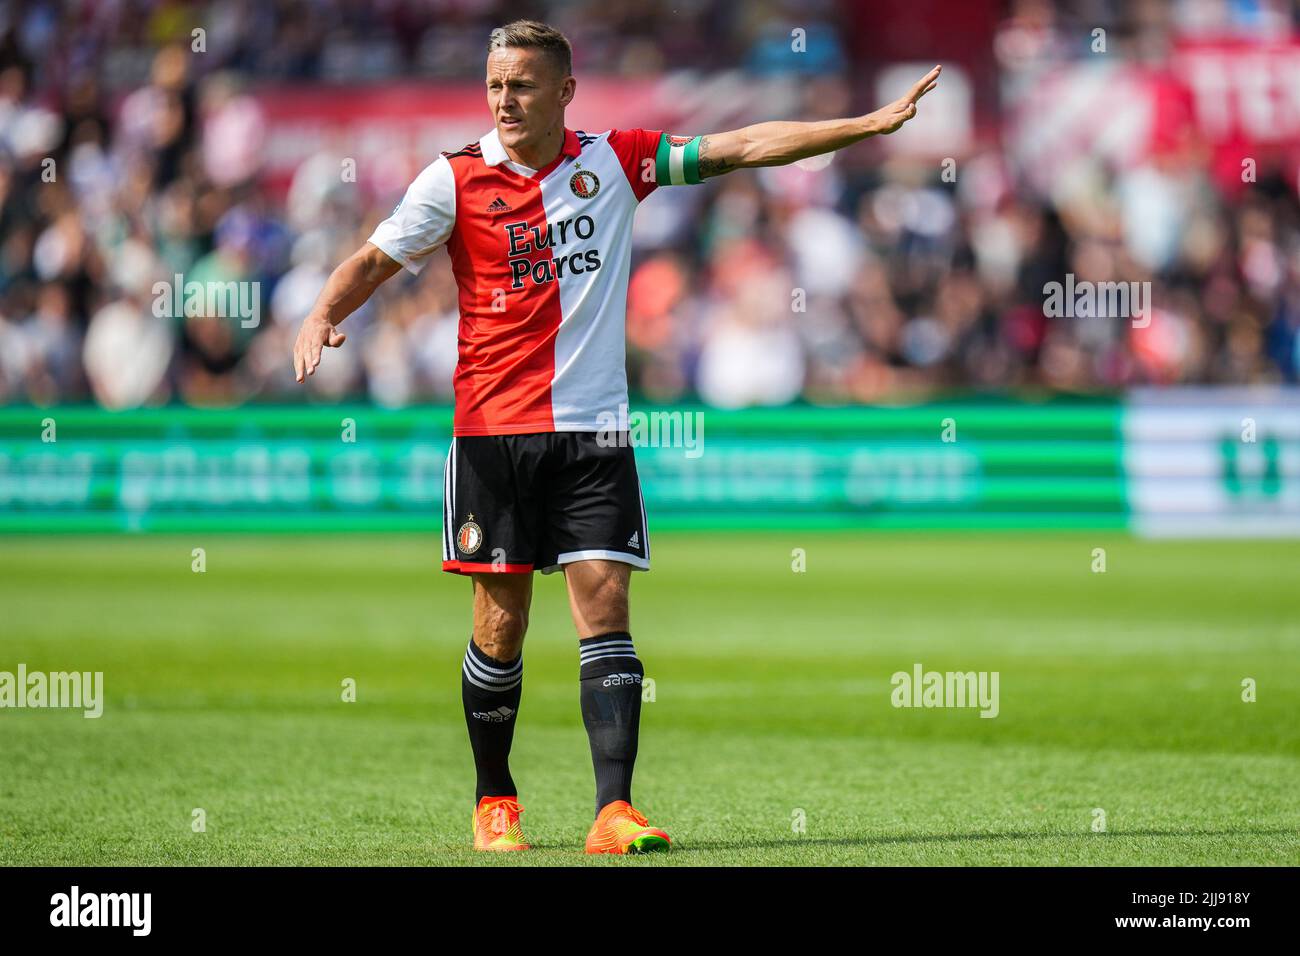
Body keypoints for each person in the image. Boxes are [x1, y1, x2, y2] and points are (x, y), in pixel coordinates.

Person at [292, 19, 939, 854]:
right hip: (493, 433)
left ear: (564, 91)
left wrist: (865, 124)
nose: (504, 99)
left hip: (594, 432)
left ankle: (613, 810)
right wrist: (319, 312)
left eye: (521, 84)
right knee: (502, 622)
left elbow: (741, 145)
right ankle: (496, 799)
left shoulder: (618, 160)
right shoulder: (452, 180)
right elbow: (376, 261)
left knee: (607, 603)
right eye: (495, 84)